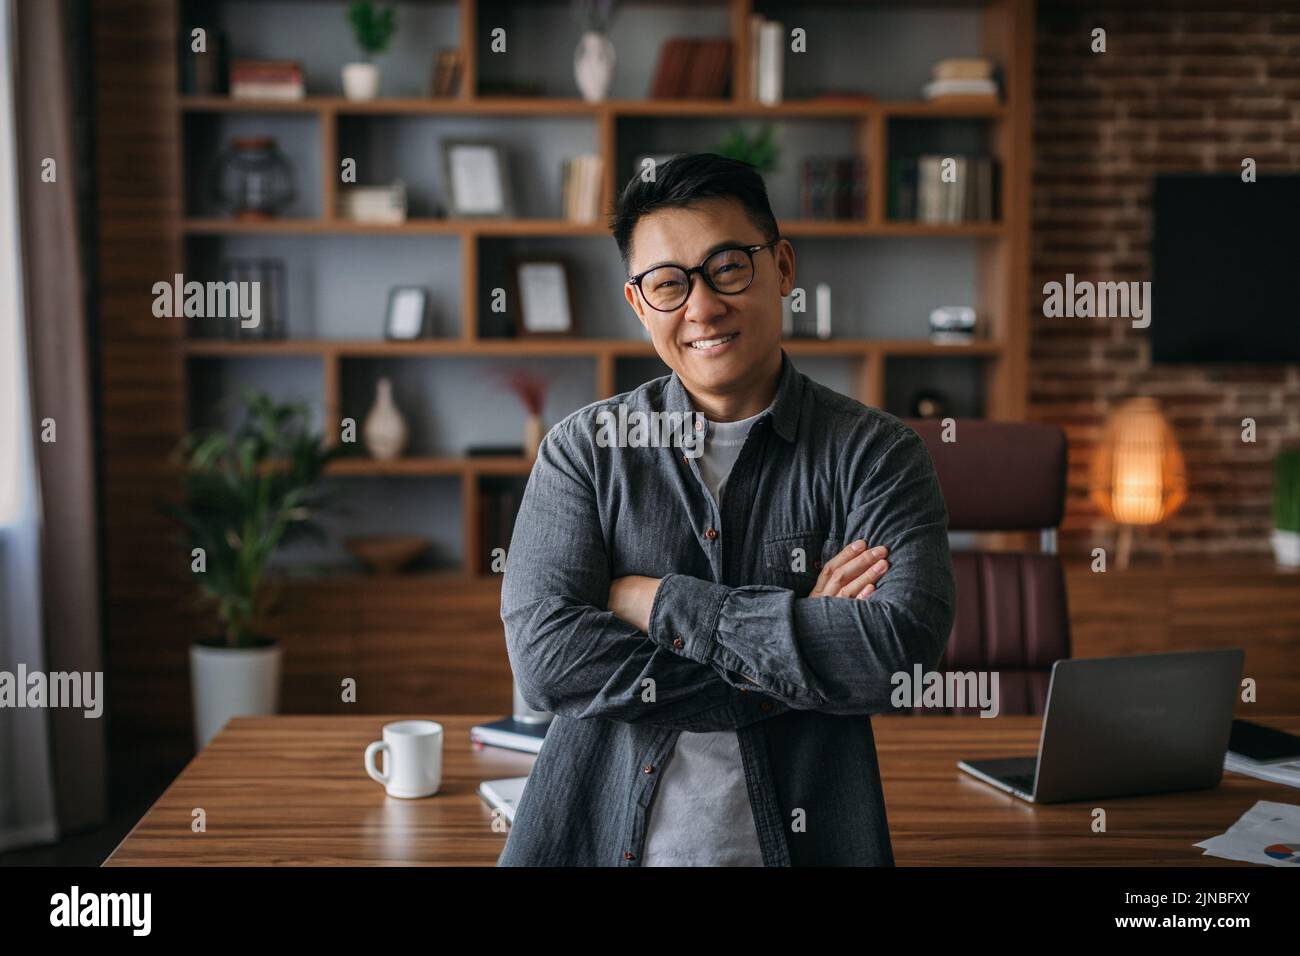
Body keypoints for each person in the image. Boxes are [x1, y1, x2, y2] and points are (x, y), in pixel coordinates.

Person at [498, 153, 955, 866]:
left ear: (781, 267)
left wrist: (651, 601)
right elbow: (547, 663)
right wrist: (798, 655)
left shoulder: (877, 454)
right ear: (638, 304)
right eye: (668, 284)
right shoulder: (584, 451)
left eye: (729, 267)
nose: (702, 307)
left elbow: (898, 657)